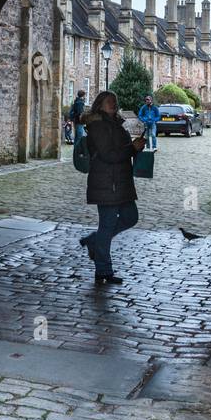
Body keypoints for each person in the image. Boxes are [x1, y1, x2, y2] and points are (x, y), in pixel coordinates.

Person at [78, 90, 145, 286]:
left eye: (115, 101)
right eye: (109, 101)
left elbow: (121, 151)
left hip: (121, 182)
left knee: (130, 217)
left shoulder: (116, 123)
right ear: (100, 105)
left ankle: (93, 241)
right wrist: (132, 148)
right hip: (106, 183)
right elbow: (108, 155)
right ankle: (103, 271)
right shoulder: (97, 126)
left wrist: (137, 147)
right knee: (107, 226)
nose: (114, 104)